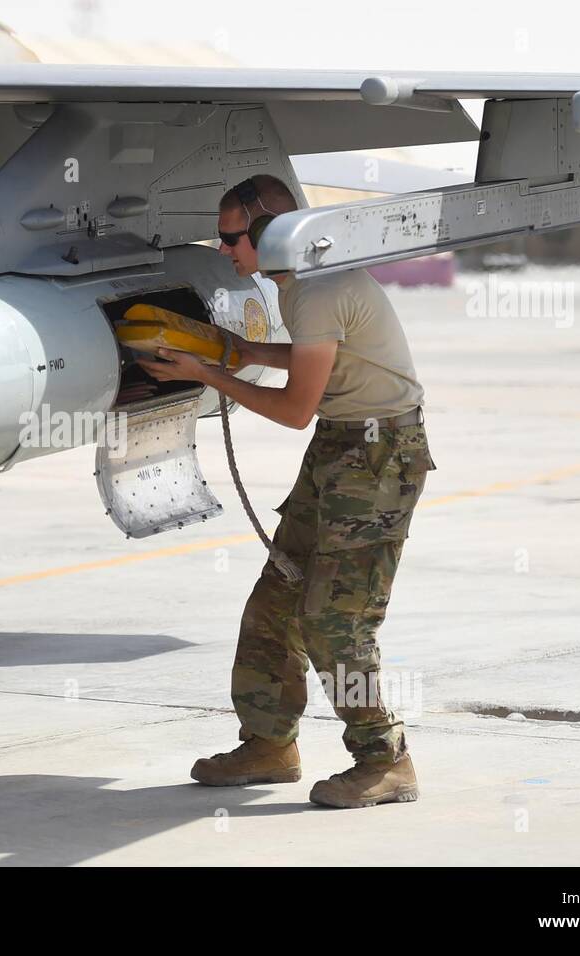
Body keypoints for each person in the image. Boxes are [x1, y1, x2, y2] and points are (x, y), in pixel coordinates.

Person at [137, 175, 435, 809]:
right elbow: (317, 361)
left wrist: (209, 372)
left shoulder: (315, 290)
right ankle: (269, 745)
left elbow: (297, 407)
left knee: (334, 622)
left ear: (268, 230)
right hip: (343, 445)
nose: (223, 251)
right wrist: (244, 350)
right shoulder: (301, 282)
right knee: (276, 601)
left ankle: (386, 761)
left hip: (378, 457)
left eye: (230, 238)